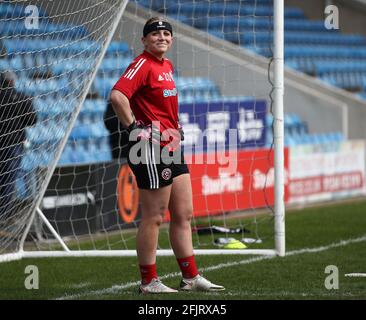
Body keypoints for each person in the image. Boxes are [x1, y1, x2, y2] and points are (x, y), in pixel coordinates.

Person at [110, 17, 225, 294]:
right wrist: (135, 129)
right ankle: (149, 281)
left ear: (171, 39)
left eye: (166, 33)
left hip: (171, 146)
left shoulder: (166, 66)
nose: (161, 37)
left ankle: (190, 278)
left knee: (183, 214)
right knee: (154, 216)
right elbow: (117, 96)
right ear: (144, 39)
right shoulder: (142, 64)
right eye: (155, 33)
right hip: (149, 149)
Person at [0, 71, 37, 219]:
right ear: (12, 82)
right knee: (8, 181)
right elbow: (32, 120)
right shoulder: (21, 98)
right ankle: (3, 217)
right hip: (13, 145)